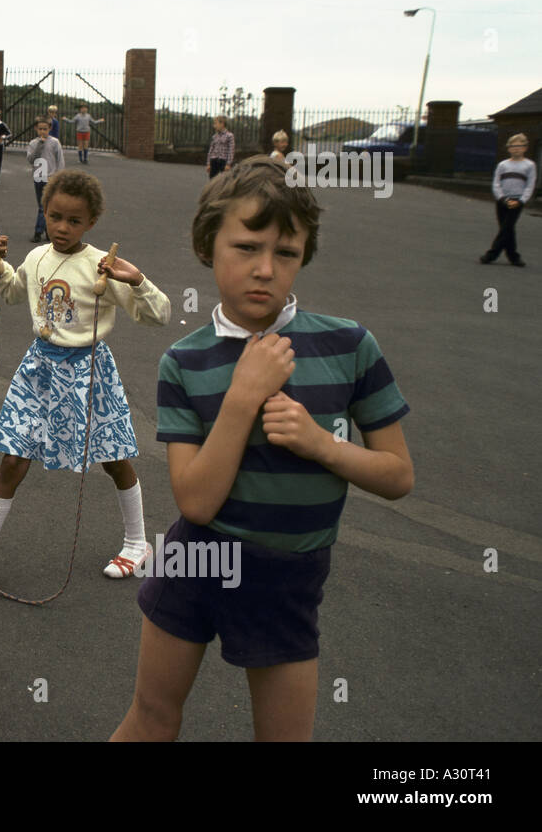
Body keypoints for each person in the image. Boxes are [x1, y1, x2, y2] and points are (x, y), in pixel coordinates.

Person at [112, 157, 414, 742]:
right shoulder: (185, 360)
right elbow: (195, 502)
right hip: (196, 558)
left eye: (286, 253)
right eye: (246, 247)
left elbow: (397, 474)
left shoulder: (349, 345)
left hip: (288, 573)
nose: (265, 270)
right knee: (151, 717)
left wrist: (322, 444)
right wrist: (242, 397)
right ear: (208, 245)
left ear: (305, 256)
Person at [0, 169, 171, 607]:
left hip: (88, 369)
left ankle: (138, 544)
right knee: (13, 459)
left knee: (114, 458)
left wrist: (136, 279)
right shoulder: (38, 256)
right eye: (55, 216)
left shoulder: (104, 266)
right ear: (45, 212)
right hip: (39, 366)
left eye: (74, 221)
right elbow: (18, 294)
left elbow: (159, 316)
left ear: (91, 222)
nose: (62, 227)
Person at [480, 133, 535, 267]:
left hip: (517, 201)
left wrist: (521, 200)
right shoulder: (502, 165)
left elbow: (530, 185)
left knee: (507, 227)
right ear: (508, 148)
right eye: (513, 146)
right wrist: (503, 199)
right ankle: (514, 256)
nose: (516, 148)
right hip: (502, 200)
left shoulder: (529, 165)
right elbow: (496, 184)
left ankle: (491, 254)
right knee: (506, 229)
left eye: (519, 146)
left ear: (525, 148)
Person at [25, 119, 64, 242]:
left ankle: (38, 232)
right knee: (42, 206)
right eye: (40, 129)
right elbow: (31, 159)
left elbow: (60, 160)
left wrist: (59, 176)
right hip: (38, 177)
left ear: (49, 129)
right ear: (36, 129)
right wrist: (39, 145)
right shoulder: (33, 143)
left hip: (51, 177)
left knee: (44, 206)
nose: (42, 131)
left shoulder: (54, 142)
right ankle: (47, 231)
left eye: (45, 129)